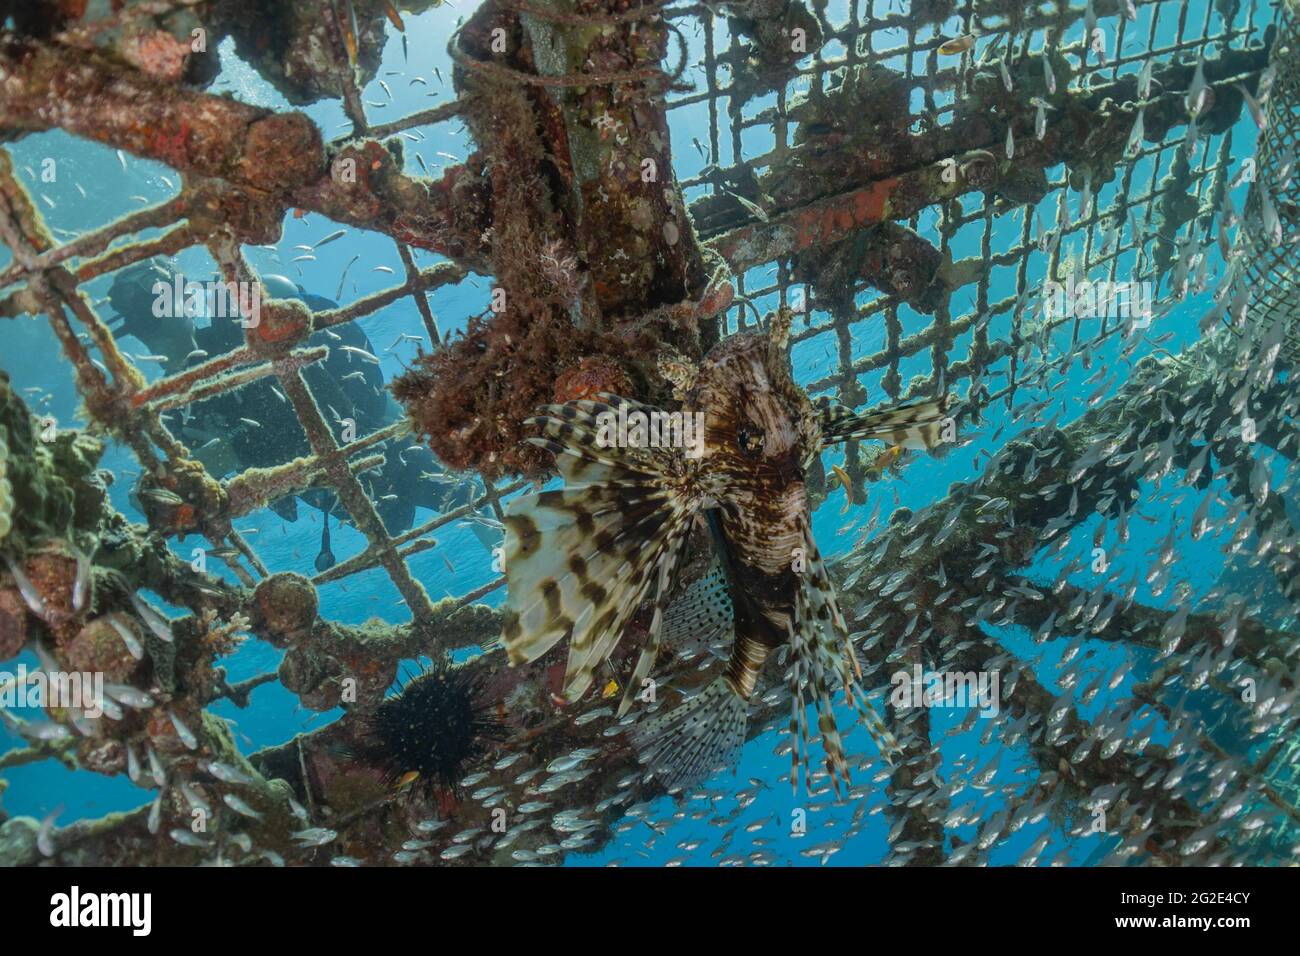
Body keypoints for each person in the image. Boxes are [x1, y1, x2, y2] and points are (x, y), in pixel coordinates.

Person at [107, 259, 487, 570]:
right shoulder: (171, 416)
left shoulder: (237, 333)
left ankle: (513, 546)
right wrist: (157, 496)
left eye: (160, 288)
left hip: (373, 440)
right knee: (408, 512)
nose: (158, 302)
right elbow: (191, 495)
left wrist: (232, 453)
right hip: (334, 489)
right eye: (146, 298)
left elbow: (329, 391)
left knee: (461, 493)